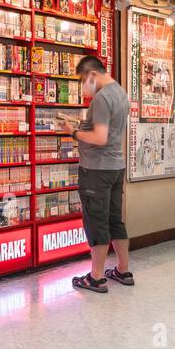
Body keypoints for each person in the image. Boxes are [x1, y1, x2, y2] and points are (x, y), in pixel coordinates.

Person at [66, 55, 132, 293]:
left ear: (93, 75)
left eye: (84, 79)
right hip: (116, 166)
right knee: (115, 219)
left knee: (97, 221)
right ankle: (123, 270)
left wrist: (74, 132)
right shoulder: (121, 93)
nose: (84, 85)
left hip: (97, 169)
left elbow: (100, 138)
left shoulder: (102, 98)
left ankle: (96, 276)